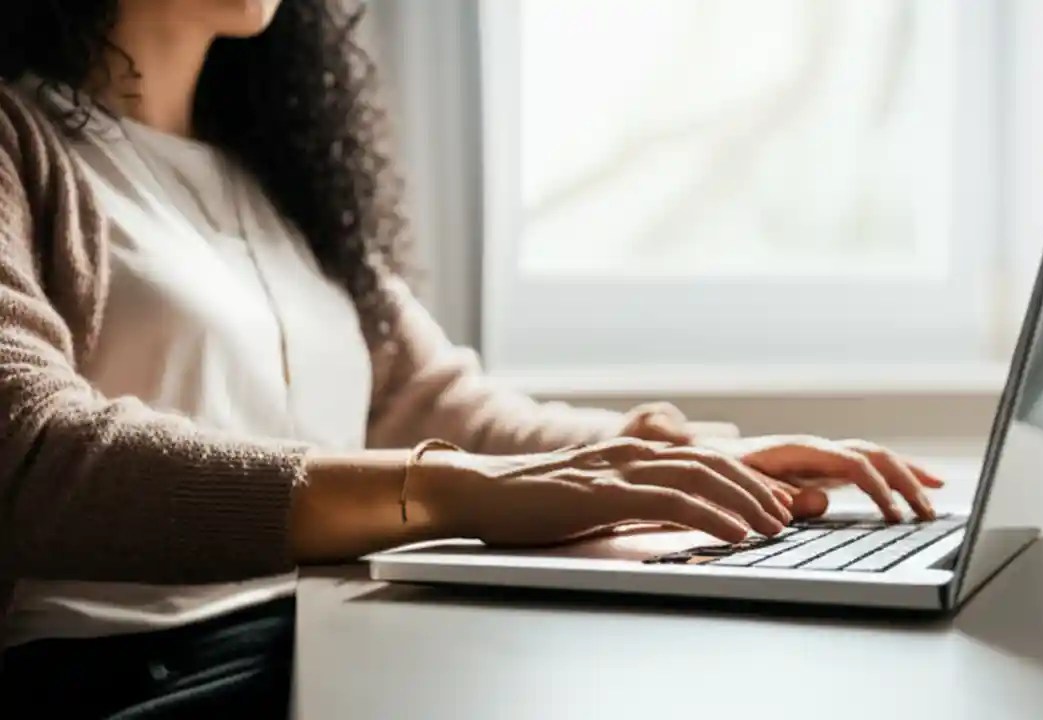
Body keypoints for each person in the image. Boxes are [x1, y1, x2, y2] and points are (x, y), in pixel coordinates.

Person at [0, 0, 944, 715]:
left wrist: (676, 458)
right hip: (133, 674)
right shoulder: (19, 139)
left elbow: (427, 400)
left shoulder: (269, 169)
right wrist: (449, 493)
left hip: (324, 638)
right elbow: (32, 455)